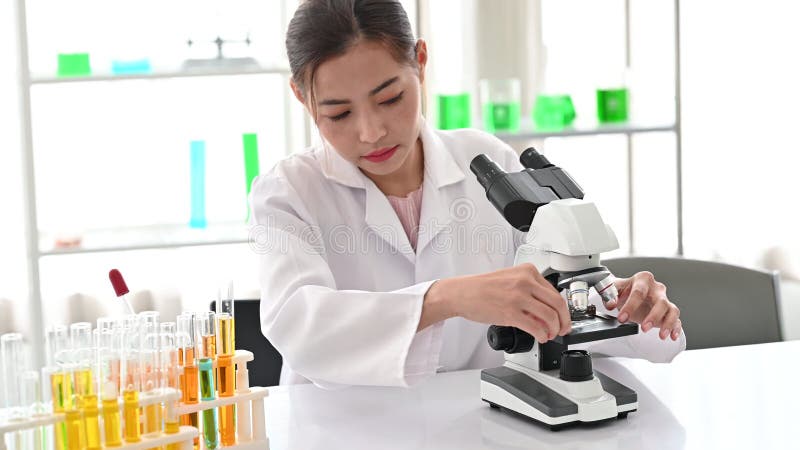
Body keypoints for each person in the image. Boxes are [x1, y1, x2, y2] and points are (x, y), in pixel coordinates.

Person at [251, 0, 685, 388]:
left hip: (476, 425)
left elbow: (559, 292)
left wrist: (626, 305)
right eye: (339, 113)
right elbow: (300, 325)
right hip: (340, 432)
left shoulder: (487, 159)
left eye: (390, 99)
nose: (371, 131)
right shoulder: (288, 193)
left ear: (420, 62)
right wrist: (447, 298)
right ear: (302, 98)